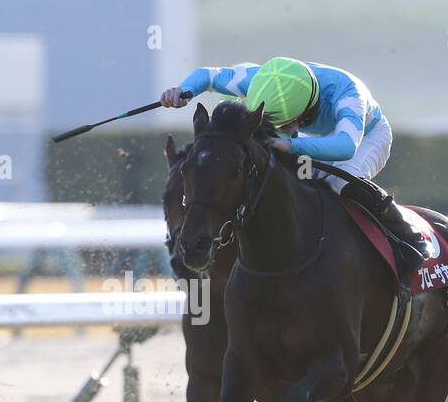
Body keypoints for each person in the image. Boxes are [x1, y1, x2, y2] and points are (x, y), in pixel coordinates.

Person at [162, 56, 428, 276]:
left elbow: (346, 146)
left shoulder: (349, 96)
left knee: (340, 182)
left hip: (365, 138)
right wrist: (183, 91)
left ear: (305, 112)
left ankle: (406, 236)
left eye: (288, 126)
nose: (286, 132)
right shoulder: (260, 80)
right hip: (317, 138)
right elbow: (208, 75)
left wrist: (293, 145)